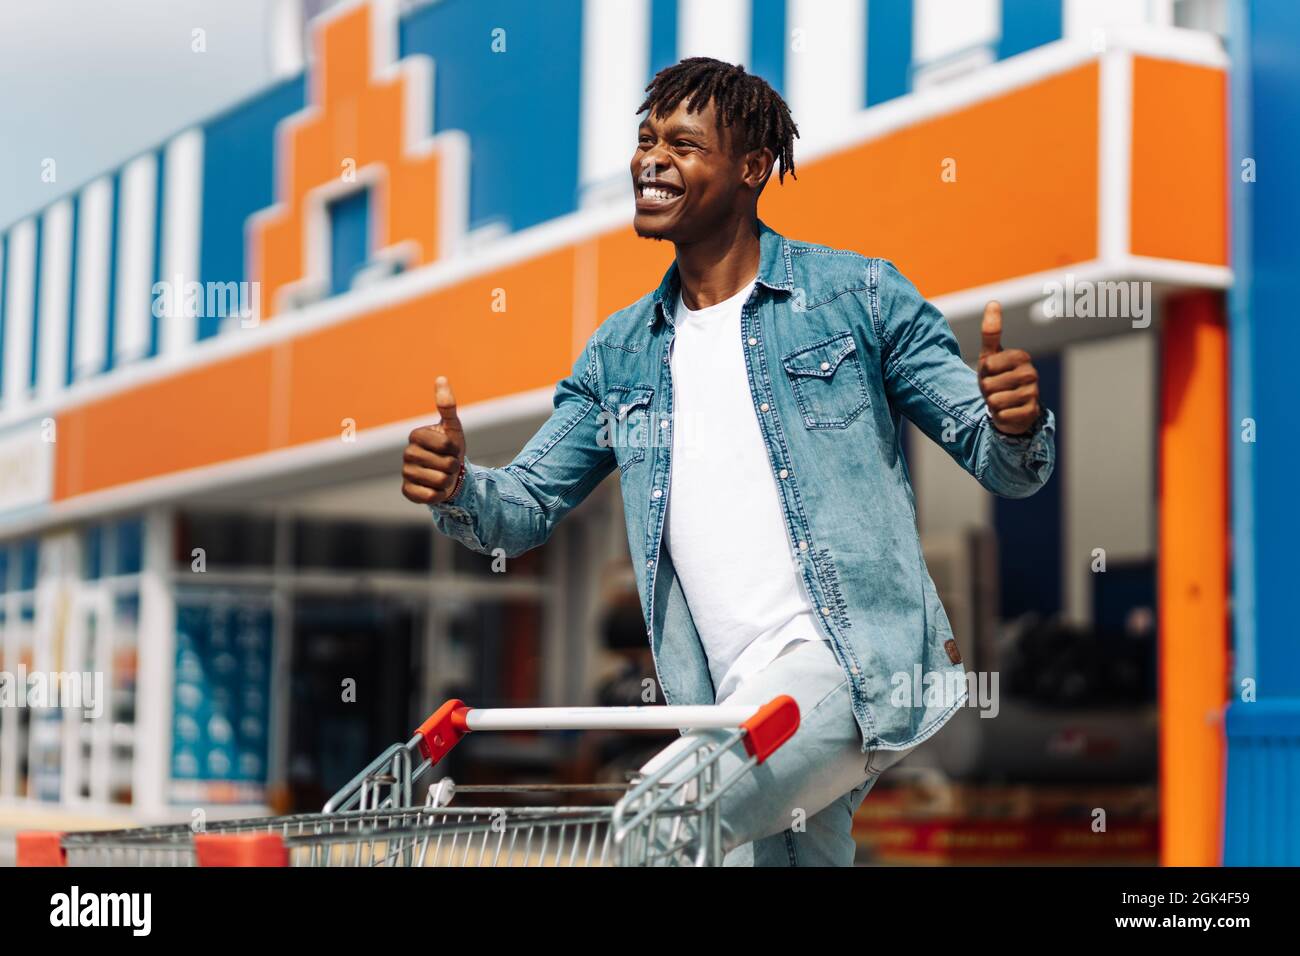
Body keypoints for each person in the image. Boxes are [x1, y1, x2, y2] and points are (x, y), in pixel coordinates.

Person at [401, 56, 1056, 866]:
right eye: (645, 140)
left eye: (682, 142)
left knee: (661, 822)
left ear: (750, 168)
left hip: (845, 669)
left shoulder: (859, 296)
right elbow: (527, 505)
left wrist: (1015, 421)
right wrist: (459, 485)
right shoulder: (619, 355)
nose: (651, 158)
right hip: (724, 701)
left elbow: (1000, 460)